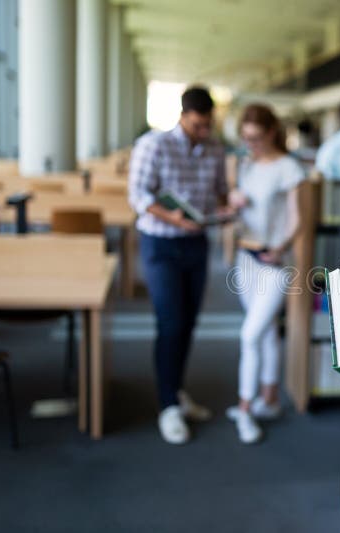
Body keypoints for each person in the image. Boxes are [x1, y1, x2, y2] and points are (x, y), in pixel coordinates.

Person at [128, 86, 232, 445]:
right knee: (170, 322)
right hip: (160, 243)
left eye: (208, 125)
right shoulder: (153, 145)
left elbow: (220, 190)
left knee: (188, 322)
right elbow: (139, 196)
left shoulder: (215, 148)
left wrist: (225, 209)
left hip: (197, 242)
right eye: (199, 125)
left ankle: (176, 389)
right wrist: (173, 218)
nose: (204, 132)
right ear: (183, 116)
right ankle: (167, 404)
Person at [224, 103, 305, 444]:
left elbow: (299, 218)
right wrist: (233, 198)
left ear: (272, 132)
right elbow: (235, 207)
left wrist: (282, 245)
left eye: (256, 138)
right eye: (245, 139)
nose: (251, 145)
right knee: (267, 332)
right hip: (246, 257)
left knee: (250, 335)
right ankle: (268, 401)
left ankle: (244, 409)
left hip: (273, 262)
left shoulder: (289, 168)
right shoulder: (246, 164)